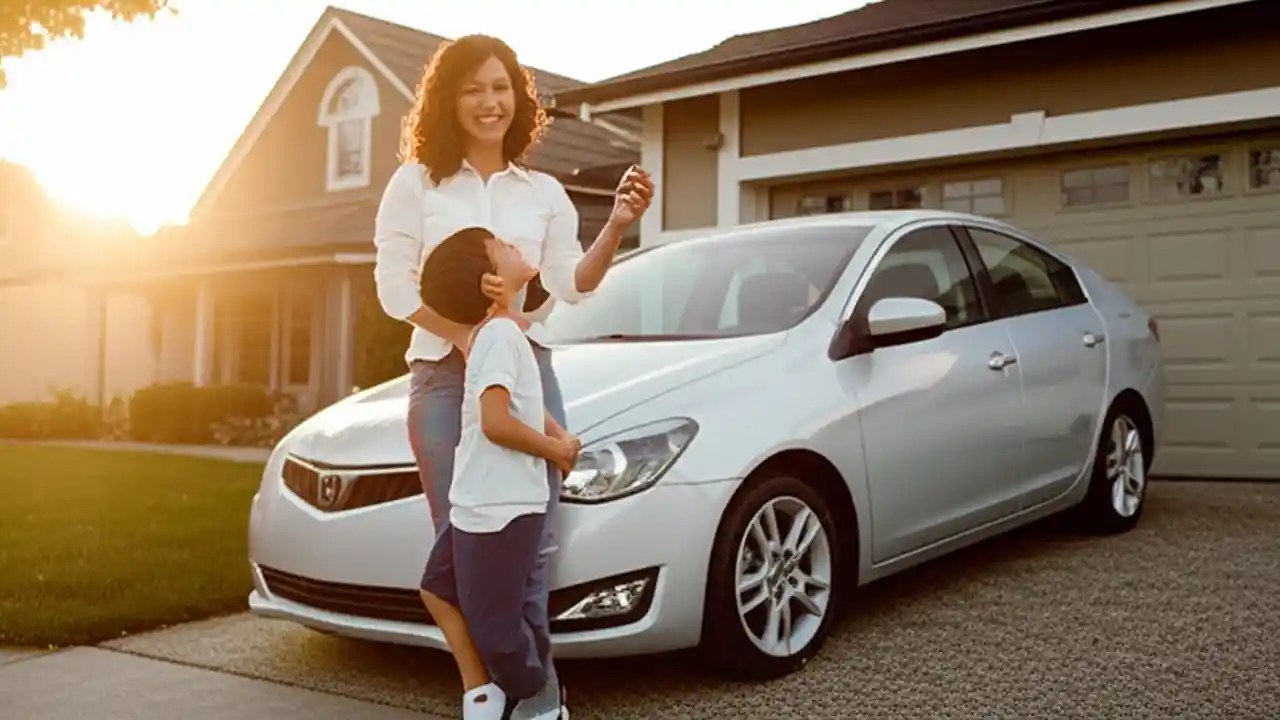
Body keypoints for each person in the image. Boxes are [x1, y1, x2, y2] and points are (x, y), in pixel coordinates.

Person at [371, 32, 653, 719]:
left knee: (529, 548)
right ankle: (480, 688)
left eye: (500, 87)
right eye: (473, 88)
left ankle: (539, 700)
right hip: (441, 381)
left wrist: (616, 226)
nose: (489, 101)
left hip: (527, 378)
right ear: (448, 99)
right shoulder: (416, 183)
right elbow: (391, 287)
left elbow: (572, 283)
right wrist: (471, 336)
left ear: (517, 99)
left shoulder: (545, 193)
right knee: (463, 548)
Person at [417, 225, 581, 720]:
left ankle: (536, 701)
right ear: (491, 282)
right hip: (488, 506)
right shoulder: (498, 336)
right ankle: (489, 691)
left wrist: (558, 439)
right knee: (443, 592)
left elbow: (519, 406)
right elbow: (495, 422)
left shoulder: (502, 334)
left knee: (497, 624)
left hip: (500, 505)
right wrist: (555, 448)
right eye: (503, 247)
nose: (516, 245)